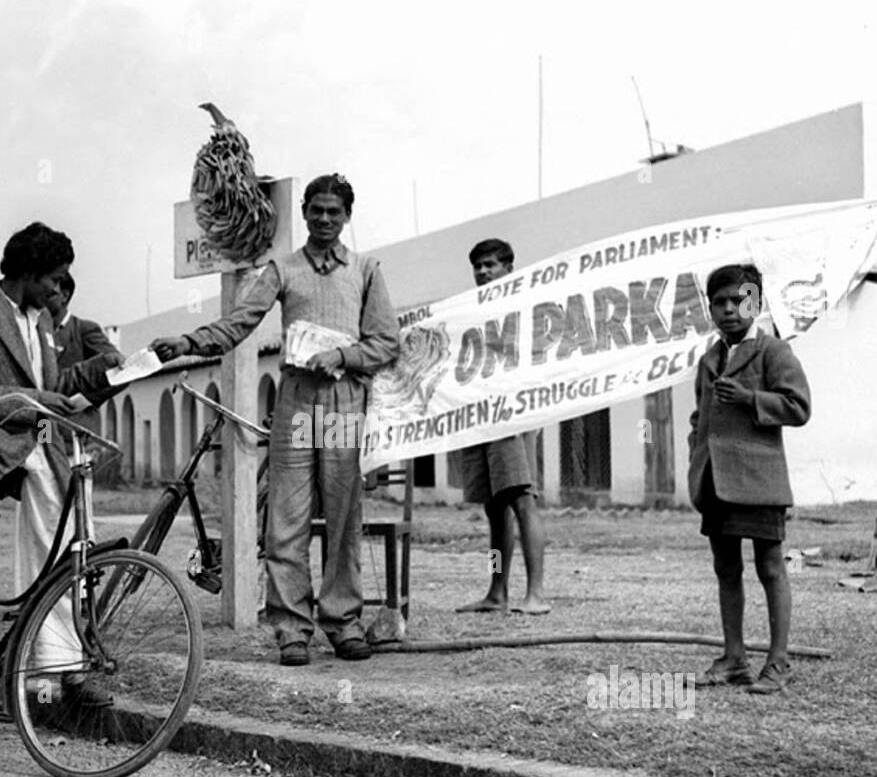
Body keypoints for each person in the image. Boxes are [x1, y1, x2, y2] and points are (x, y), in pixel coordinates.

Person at [152, 173, 400, 667]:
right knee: (285, 519)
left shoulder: (366, 270)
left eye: (335, 212)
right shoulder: (282, 269)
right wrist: (189, 343)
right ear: (304, 212)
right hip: (295, 404)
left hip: (343, 404)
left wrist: (345, 358)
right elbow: (241, 321)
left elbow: (386, 342)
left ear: (347, 216)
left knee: (344, 517)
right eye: (317, 210)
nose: (325, 219)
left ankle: (344, 621)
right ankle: (291, 628)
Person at [0, 222, 118, 708]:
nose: (59, 289)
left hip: (40, 442)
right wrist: (31, 399)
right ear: (29, 272)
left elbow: (54, 380)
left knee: (58, 549)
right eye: (55, 278)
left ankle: (57, 670)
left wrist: (109, 369)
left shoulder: (41, 322)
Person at [688, 264, 811, 695]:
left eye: (739, 301)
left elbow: (798, 407)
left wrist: (750, 400)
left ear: (755, 303)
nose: (728, 310)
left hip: (759, 480)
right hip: (717, 483)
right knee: (726, 568)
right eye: (719, 302)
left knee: (771, 567)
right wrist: (696, 461)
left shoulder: (774, 352)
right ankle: (734, 658)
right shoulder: (708, 359)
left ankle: (778, 662)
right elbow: (698, 417)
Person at [454, 238, 549, 615]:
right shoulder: (471, 311)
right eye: (478, 266)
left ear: (508, 268)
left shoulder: (524, 308)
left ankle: (536, 593)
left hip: (513, 414)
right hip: (480, 416)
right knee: (494, 509)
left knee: (522, 501)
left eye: (490, 265)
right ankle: (497, 590)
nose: (483, 272)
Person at [45, 271, 125, 438]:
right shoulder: (37, 331)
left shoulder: (85, 329)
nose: (42, 297)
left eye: (50, 293)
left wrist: (85, 400)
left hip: (76, 430)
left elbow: (121, 371)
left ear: (65, 296)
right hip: (43, 429)